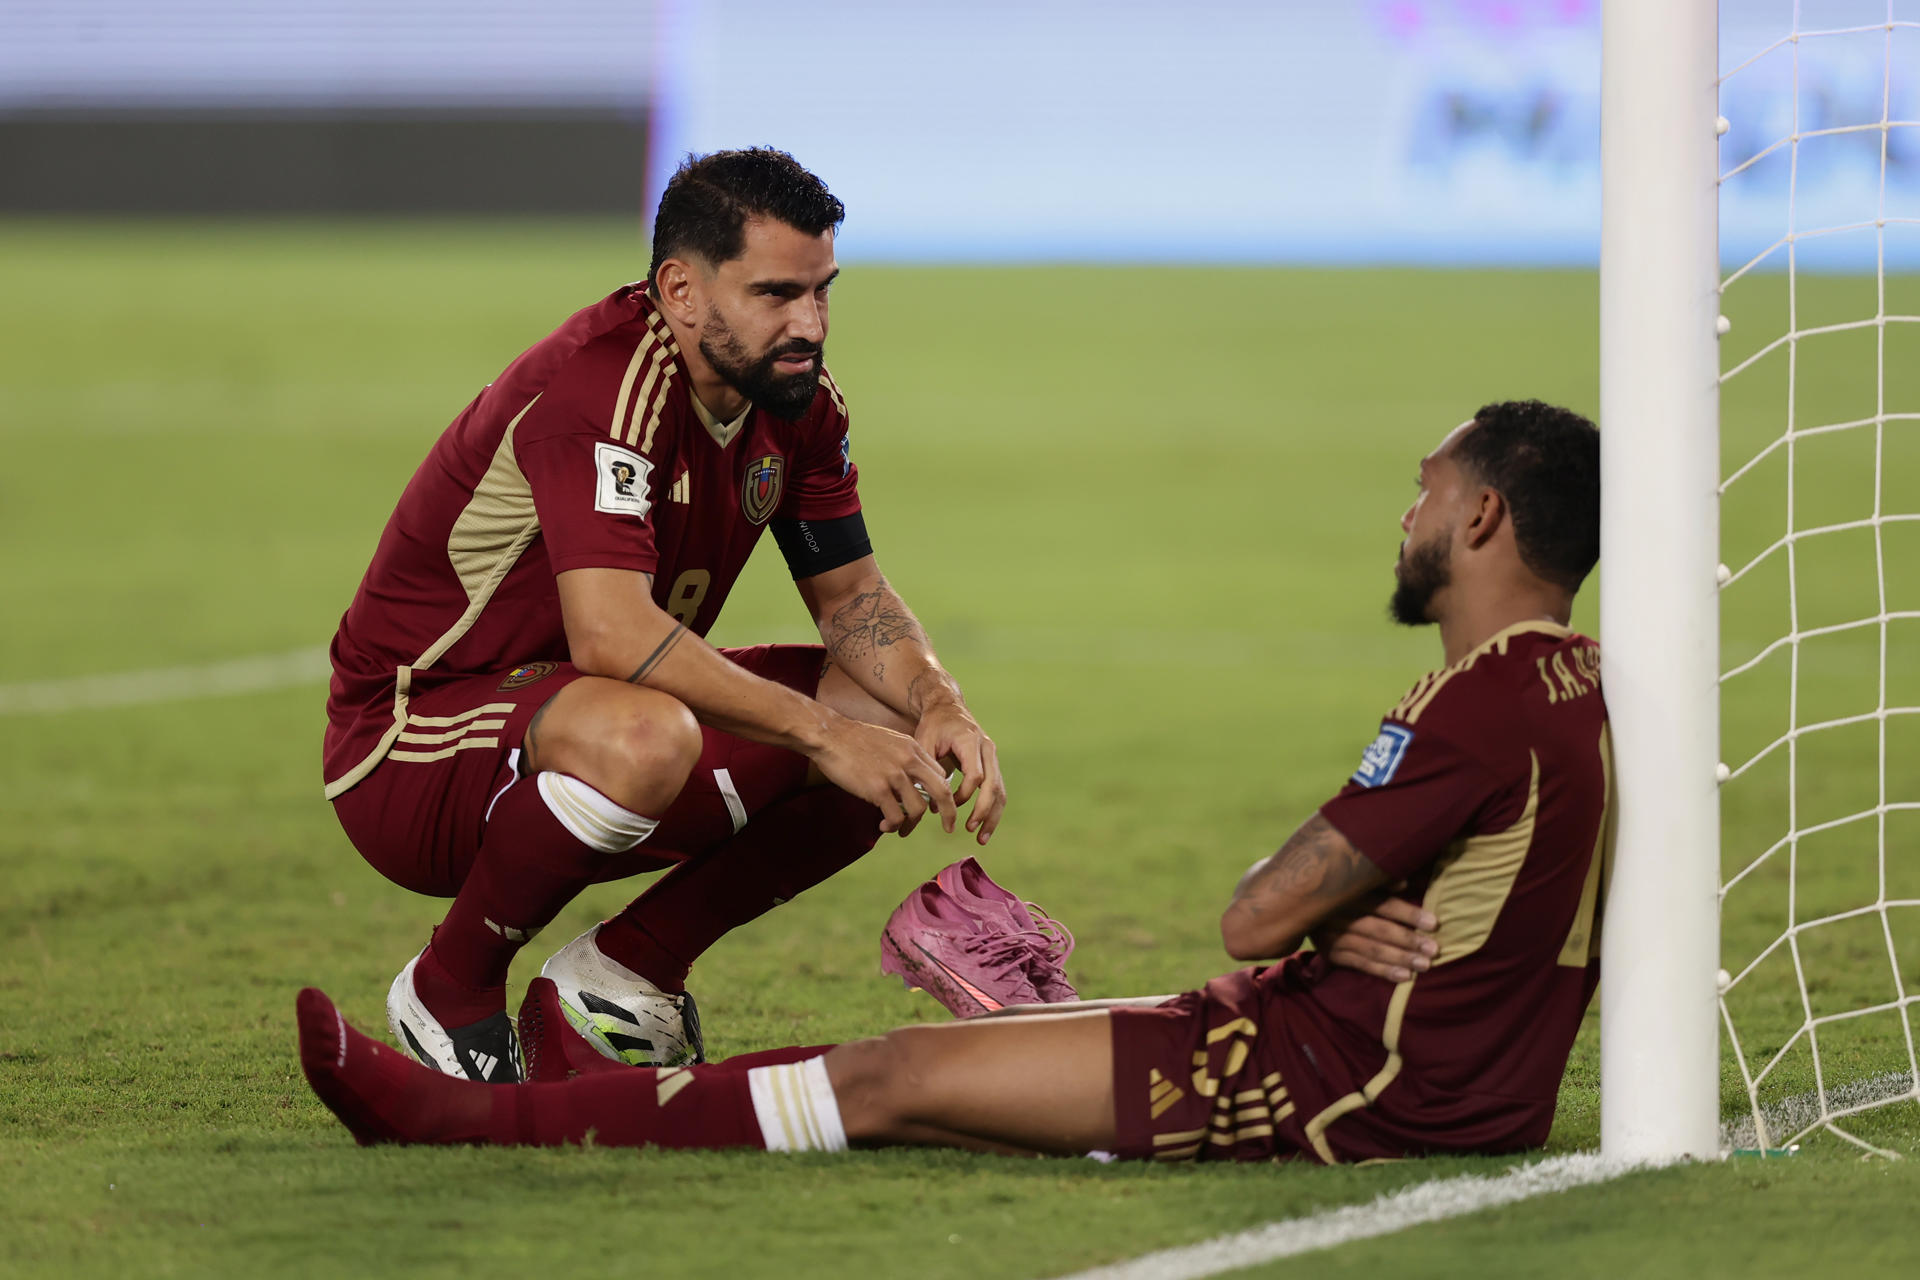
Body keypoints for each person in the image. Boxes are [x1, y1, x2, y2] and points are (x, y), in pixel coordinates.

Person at [299, 400, 1608, 1165]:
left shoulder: (1472, 704)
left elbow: (1253, 916)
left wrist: (1313, 905)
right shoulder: (1576, 681)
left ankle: (468, 1115)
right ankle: (583, 1035)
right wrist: (1356, 907)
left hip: (1331, 1074)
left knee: (894, 1078)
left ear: (1484, 520)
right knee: (933, 1068)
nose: (1407, 514)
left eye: (1427, 493)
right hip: (1375, 1051)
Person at [322, 148, 1006, 1084]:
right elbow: (613, 636)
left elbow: (852, 599)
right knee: (659, 734)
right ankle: (450, 989)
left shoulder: (794, 400)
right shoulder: (602, 386)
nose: (809, 324)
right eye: (776, 294)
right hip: (411, 745)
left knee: (883, 721)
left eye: (823, 291)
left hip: (582, 719)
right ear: (681, 289)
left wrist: (939, 702)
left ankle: (626, 973)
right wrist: (816, 734)